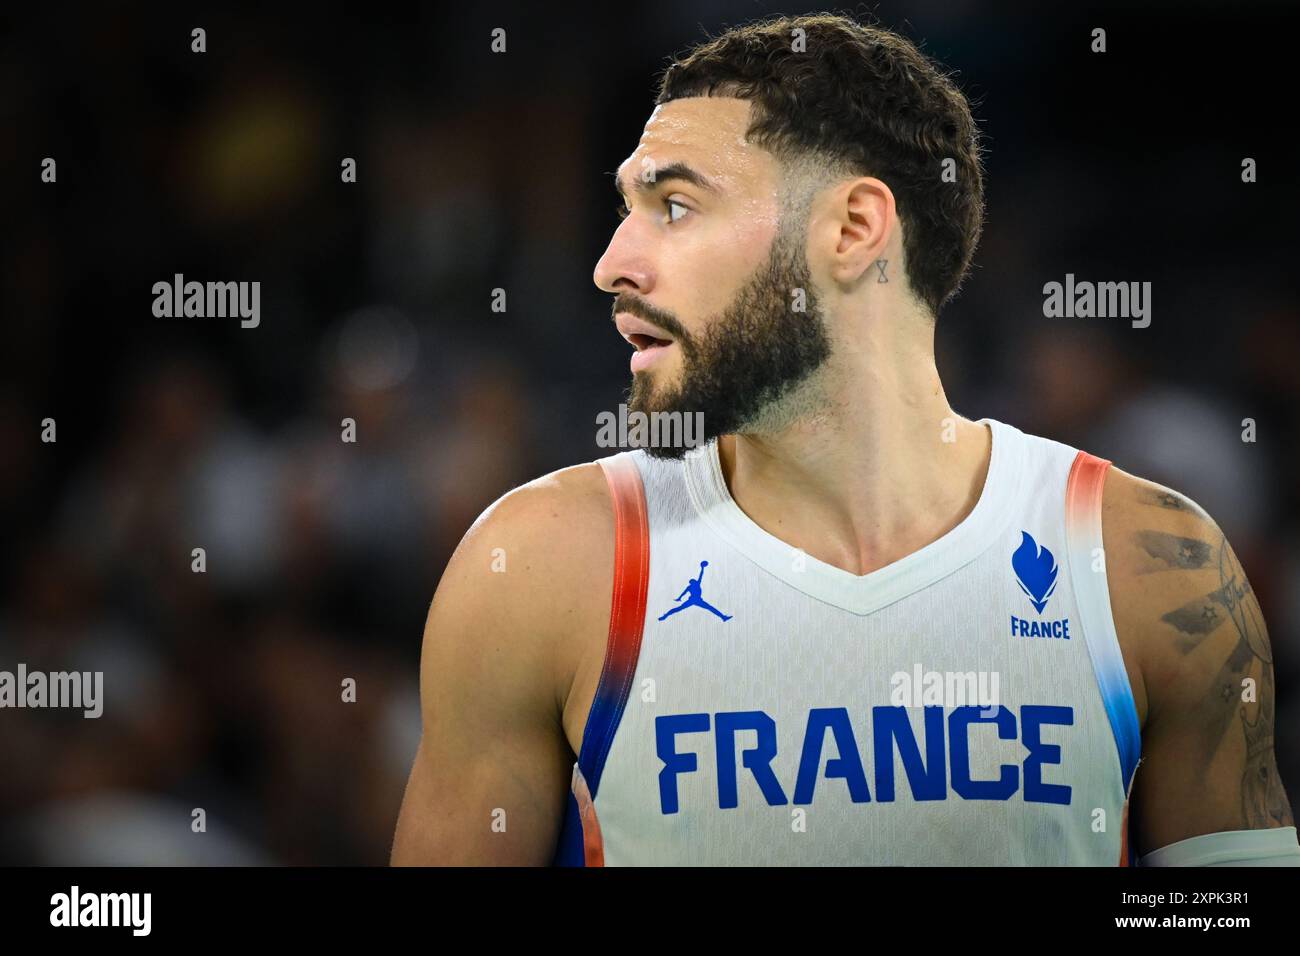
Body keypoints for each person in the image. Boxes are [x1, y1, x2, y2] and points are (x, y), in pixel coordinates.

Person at [392, 13, 1297, 866]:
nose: (611, 263)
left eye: (673, 205)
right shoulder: (540, 567)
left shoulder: (1151, 567)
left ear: (856, 228)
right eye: (627, 207)